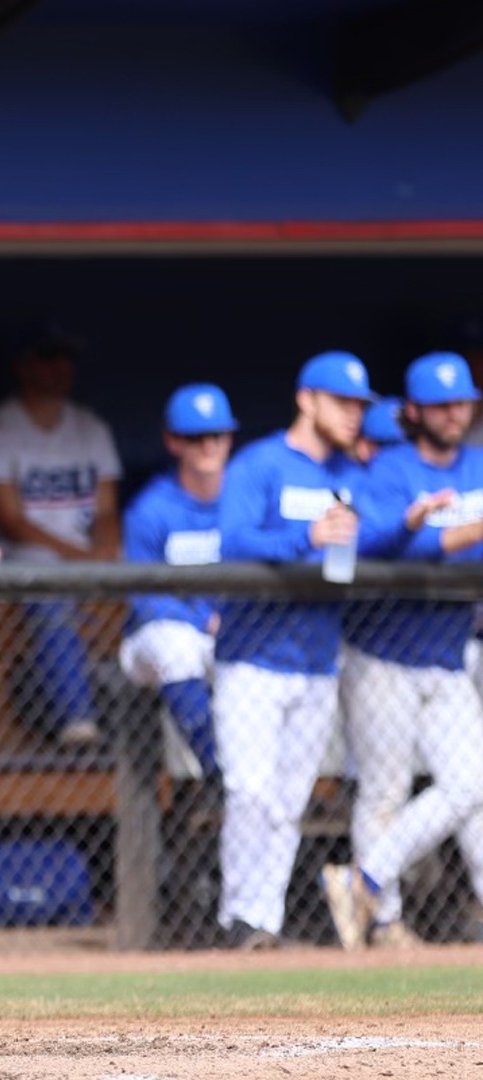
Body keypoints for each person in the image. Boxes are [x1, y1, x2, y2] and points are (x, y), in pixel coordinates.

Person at [324, 352, 483, 950]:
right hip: (383, 655)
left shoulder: (478, 466)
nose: (454, 413)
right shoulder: (386, 471)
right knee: (385, 790)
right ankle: (384, 921)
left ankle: (363, 877)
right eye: (441, 404)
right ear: (414, 411)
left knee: (472, 784)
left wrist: (446, 540)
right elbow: (386, 553)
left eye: (462, 401)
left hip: (446, 653)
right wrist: (453, 537)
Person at [213, 350, 371, 950]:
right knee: (248, 791)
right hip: (252, 656)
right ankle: (238, 917)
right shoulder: (261, 463)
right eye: (343, 402)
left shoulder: (351, 474)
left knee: (288, 802)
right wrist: (306, 535)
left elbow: (375, 533)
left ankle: (265, 923)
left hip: (317, 658)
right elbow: (232, 541)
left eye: (360, 405)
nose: (353, 415)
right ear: (307, 399)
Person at [0, 321, 122, 746]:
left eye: (65, 358)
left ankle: (137, 722)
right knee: (48, 586)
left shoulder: (90, 427)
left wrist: (106, 551)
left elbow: (106, 508)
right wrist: (82, 560)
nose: (59, 368)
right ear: (23, 366)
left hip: (84, 558)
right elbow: (12, 521)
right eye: (48, 358)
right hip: (24, 558)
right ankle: (78, 719)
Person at [118, 383, 236, 782]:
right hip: (152, 641)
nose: (208, 446)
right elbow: (144, 598)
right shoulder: (151, 509)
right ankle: (215, 769)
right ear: (173, 442)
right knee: (176, 644)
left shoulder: (243, 499)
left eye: (216, 435)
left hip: (231, 632)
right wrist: (205, 620)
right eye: (195, 437)